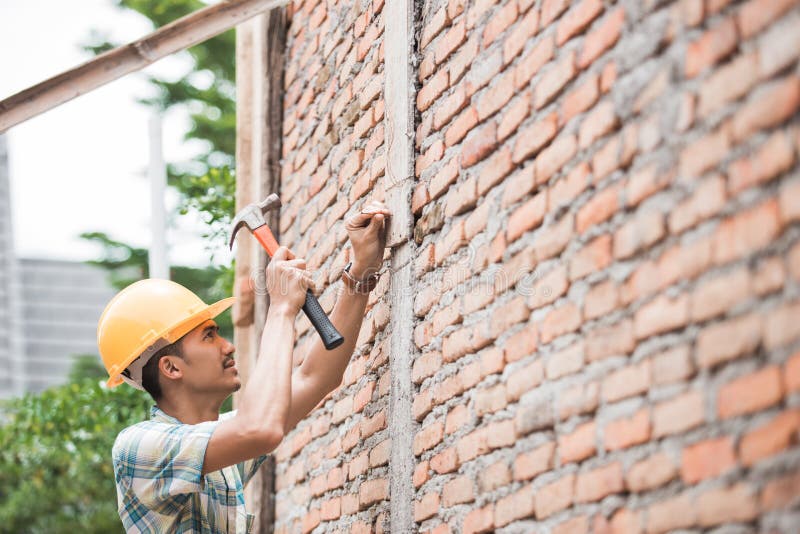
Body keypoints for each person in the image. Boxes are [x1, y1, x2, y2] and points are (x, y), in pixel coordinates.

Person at [97, 200, 391, 533]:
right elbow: (260, 428)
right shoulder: (139, 447)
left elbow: (316, 377)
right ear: (171, 367)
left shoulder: (220, 450)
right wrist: (280, 309)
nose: (228, 346)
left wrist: (361, 271)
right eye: (209, 336)